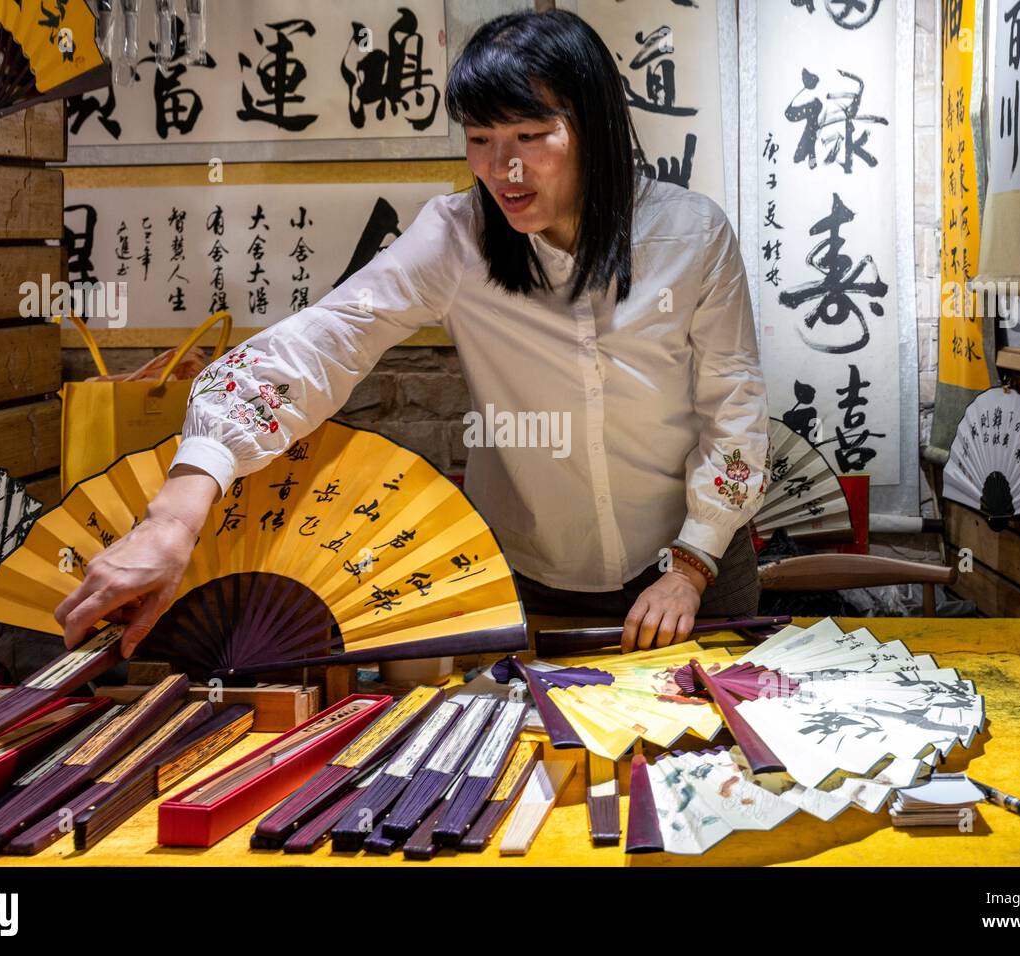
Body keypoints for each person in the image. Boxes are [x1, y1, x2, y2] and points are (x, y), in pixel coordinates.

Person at [55, 10, 769, 659]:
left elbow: (731, 410)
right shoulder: (458, 238)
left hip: (691, 568)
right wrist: (177, 514)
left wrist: (693, 565)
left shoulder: (690, 234)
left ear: (596, 126)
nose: (502, 168)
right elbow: (324, 342)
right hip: (525, 574)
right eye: (482, 139)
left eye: (529, 136)